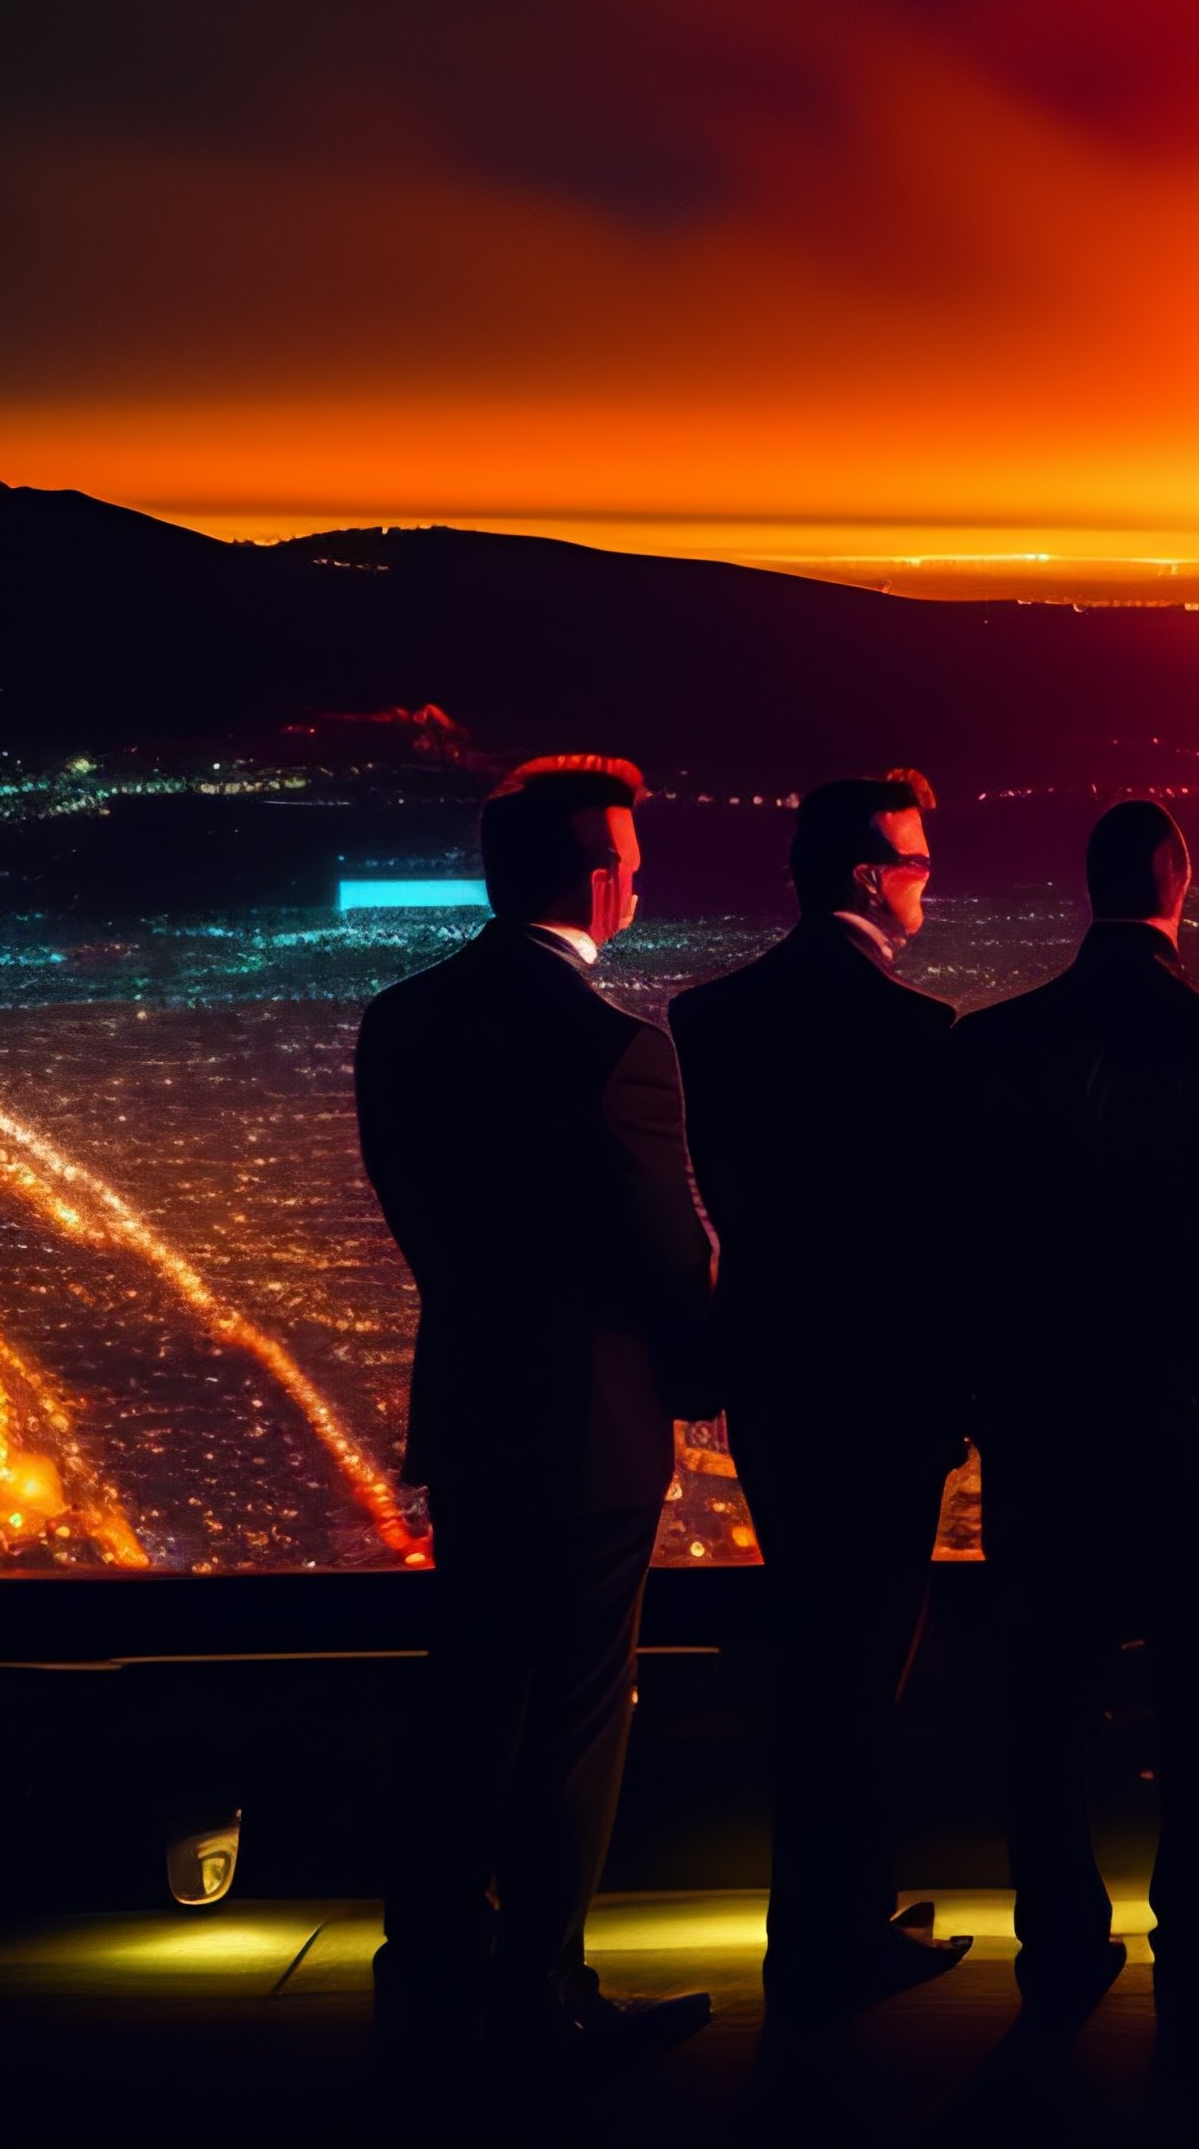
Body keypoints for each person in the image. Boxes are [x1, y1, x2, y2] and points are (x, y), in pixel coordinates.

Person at [355, 754, 718, 2069]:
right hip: (593, 1430)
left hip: (474, 1410)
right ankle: (545, 1989)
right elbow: (672, 1263)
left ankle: (431, 1972)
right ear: (601, 881)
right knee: (572, 1716)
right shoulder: (617, 1052)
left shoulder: (401, 1025)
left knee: (467, 1702)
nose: (643, 876)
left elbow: (427, 1224)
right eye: (632, 857)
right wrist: (708, 1375)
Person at [948, 799, 1199, 2020]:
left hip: (1046, 1435)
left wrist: (999, 1392)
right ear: (1182, 885)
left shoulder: (992, 1048)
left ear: (1088, 882)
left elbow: (951, 1254)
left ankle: (1058, 1950)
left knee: (1048, 1705)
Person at [667, 771, 972, 2019]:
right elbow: (938, 1236)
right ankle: (835, 1932)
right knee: (867, 1665)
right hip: (888, 1390)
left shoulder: (709, 1017)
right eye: (912, 860)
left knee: (809, 1652)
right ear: (864, 875)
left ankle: (827, 1915)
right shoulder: (917, 1035)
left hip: (775, 1379)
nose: (926, 879)